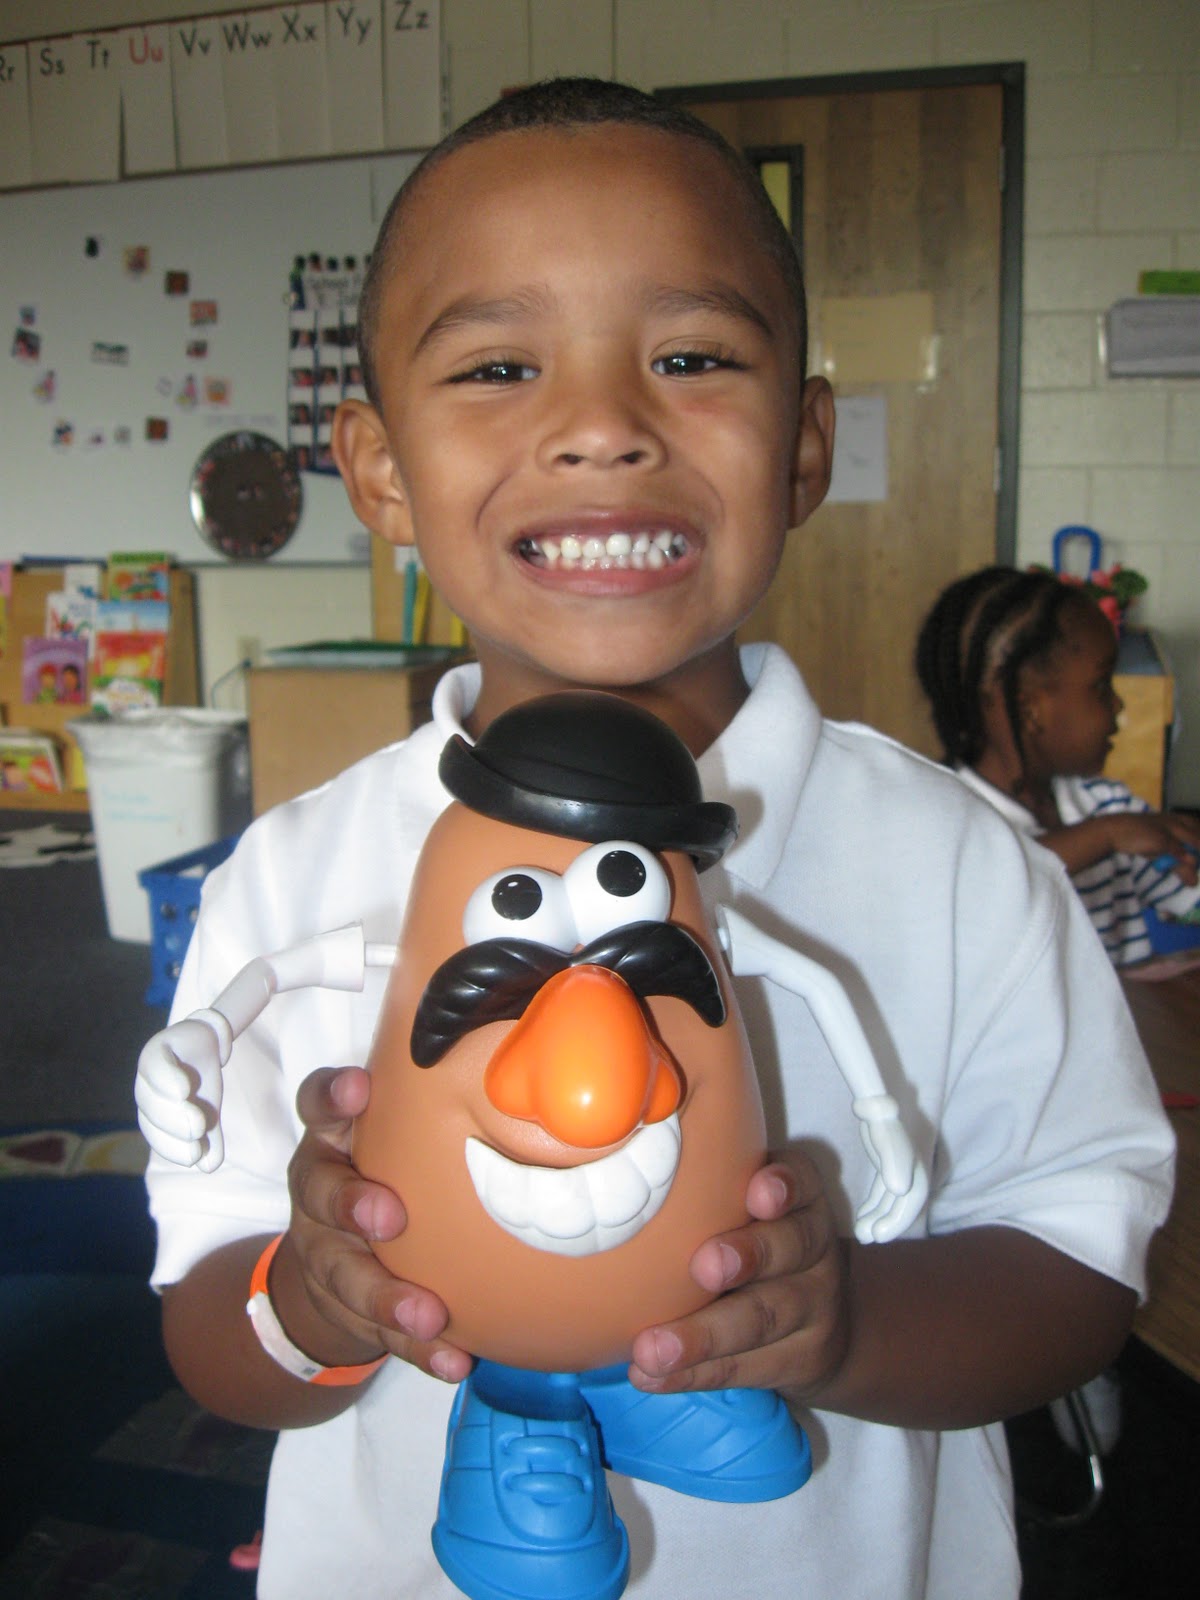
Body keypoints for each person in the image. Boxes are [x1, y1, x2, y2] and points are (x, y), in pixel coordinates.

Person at [137, 80, 1173, 1600]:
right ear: (376, 472)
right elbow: (211, 1333)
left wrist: (851, 1325)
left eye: (692, 358)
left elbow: (1082, 1264)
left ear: (805, 444)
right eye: (497, 366)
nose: (603, 429)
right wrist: (316, 1299)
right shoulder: (291, 881)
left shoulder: (960, 862)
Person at [916, 564, 1200, 969]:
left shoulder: (1104, 803)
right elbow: (984, 889)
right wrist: (1105, 836)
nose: (1118, 705)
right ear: (1030, 708)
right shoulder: (947, 818)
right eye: (1102, 685)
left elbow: (1189, 899)